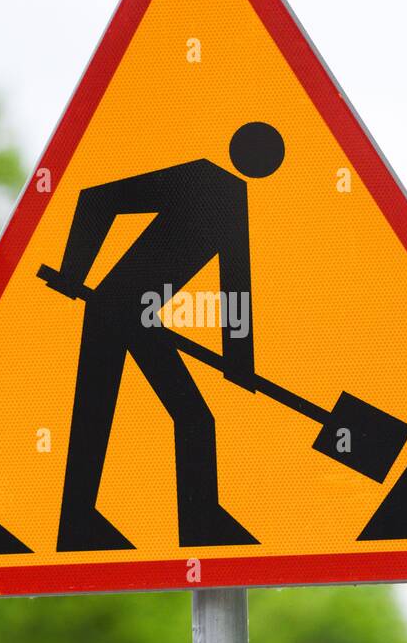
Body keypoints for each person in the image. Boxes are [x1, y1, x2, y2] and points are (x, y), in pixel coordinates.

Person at [42, 122, 285, 550]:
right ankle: (86, 522)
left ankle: (194, 522)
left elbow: (235, 289)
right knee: (99, 412)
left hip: (137, 317)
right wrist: (73, 273)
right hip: (113, 310)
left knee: (182, 418)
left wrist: (238, 363)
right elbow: (98, 199)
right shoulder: (201, 180)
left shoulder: (232, 200)